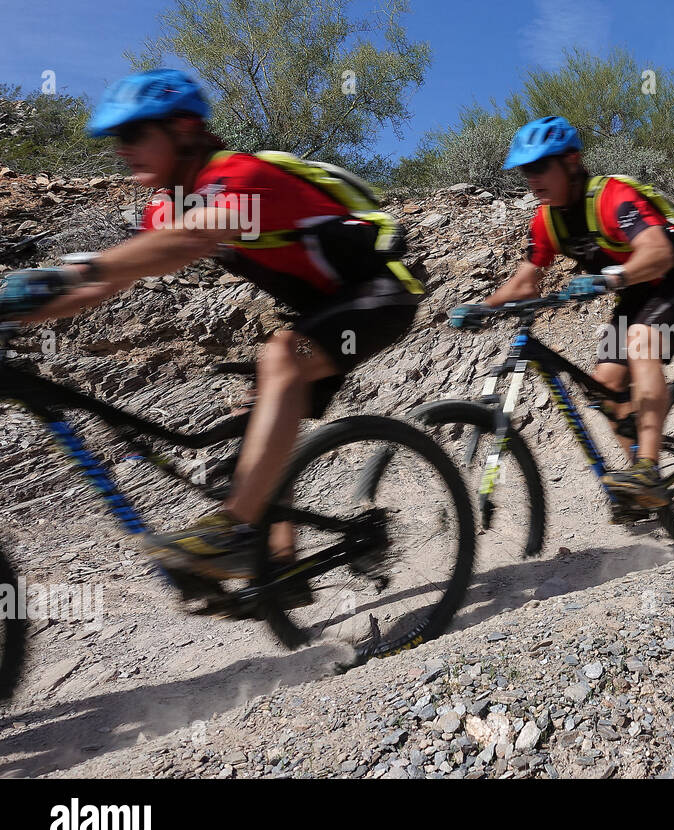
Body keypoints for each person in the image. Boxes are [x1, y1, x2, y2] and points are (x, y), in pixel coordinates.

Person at [0, 69, 424, 581]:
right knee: (258, 411)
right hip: (322, 310)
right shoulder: (166, 206)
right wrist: (18, 310)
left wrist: (83, 269)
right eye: (117, 138)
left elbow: (194, 237)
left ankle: (237, 532)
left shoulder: (243, 176)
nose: (121, 149)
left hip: (380, 294)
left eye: (133, 134)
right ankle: (280, 568)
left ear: (182, 128)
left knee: (281, 358)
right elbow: (103, 285)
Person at [456, 115, 674, 515]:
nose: (531, 178)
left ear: (571, 161)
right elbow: (526, 282)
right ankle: (644, 491)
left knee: (641, 343)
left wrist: (611, 278)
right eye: (526, 170)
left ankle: (647, 469)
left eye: (540, 166)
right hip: (639, 291)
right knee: (605, 386)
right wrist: (483, 307)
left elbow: (659, 253)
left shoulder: (613, 197)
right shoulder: (546, 220)